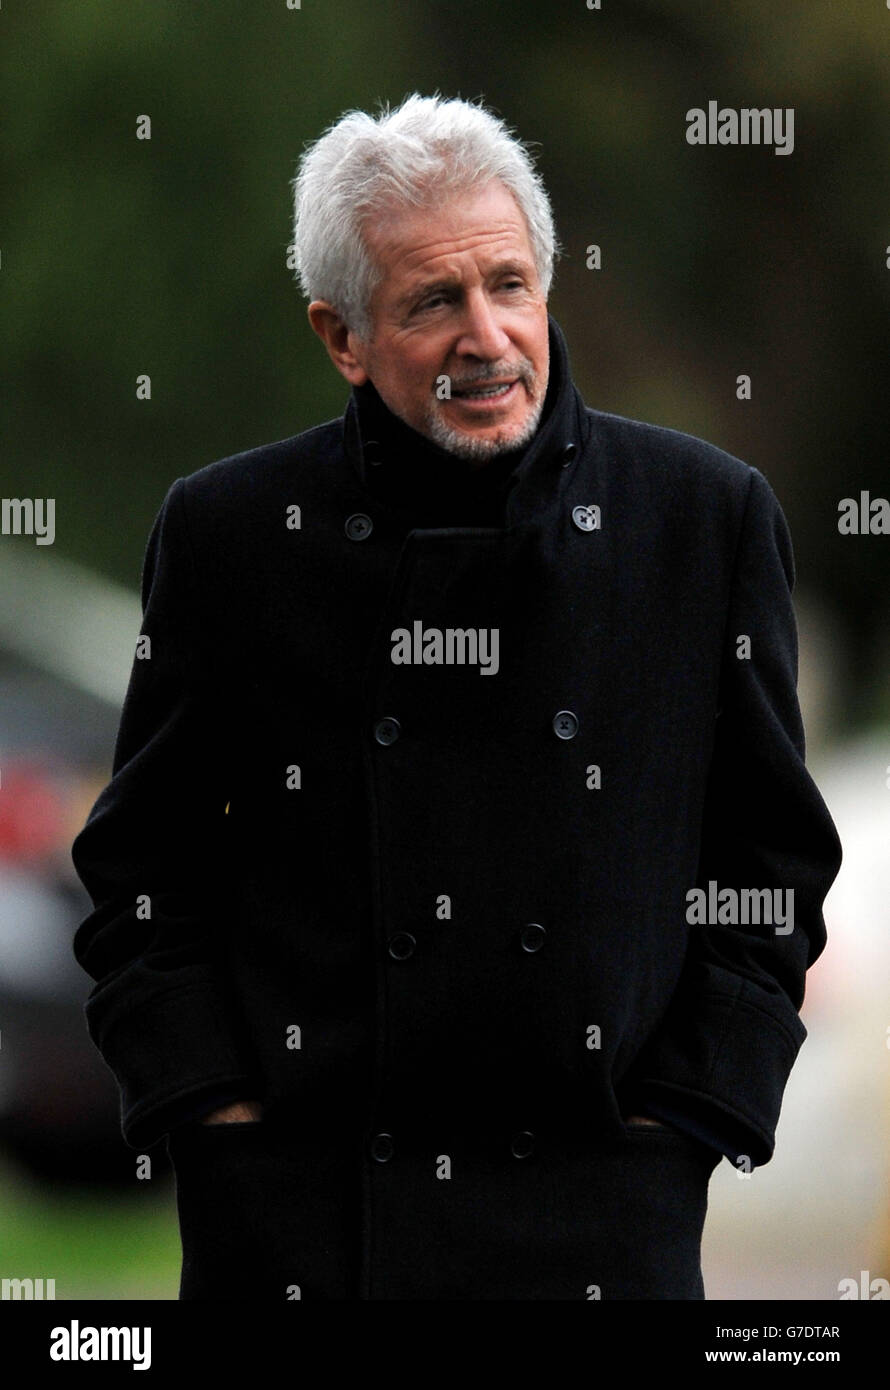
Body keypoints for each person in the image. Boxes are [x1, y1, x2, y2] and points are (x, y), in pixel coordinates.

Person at [71, 92, 842, 1300]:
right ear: (340, 335)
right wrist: (206, 1109)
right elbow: (141, 865)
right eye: (433, 301)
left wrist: (687, 1113)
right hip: (309, 1233)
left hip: (598, 1226)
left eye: (509, 284)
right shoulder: (230, 532)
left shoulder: (699, 517)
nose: (487, 336)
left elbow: (770, 858)